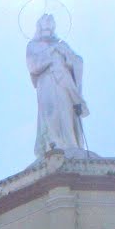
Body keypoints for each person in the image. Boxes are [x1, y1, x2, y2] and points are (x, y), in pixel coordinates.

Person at [25, 13, 88, 158]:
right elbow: (33, 65)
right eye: (45, 20)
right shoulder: (33, 45)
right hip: (46, 82)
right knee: (50, 112)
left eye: (51, 20)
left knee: (66, 113)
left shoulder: (62, 44)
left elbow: (78, 61)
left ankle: (70, 145)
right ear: (39, 24)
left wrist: (66, 57)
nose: (48, 22)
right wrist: (51, 51)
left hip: (64, 83)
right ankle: (52, 146)